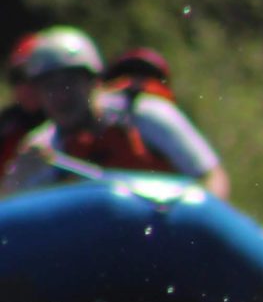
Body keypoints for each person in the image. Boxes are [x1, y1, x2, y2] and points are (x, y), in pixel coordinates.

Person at [0, 27, 230, 199]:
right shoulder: (40, 148)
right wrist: (18, 178)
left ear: (93, 82)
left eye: (69, 83)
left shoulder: (144, 114)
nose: (61, 96)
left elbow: (212, 178)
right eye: (49, 88)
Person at [0, 34, 46, 176]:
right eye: (17, 77)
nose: (25, 86)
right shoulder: (6, 127)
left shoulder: (71, 125)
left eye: (33, 76)